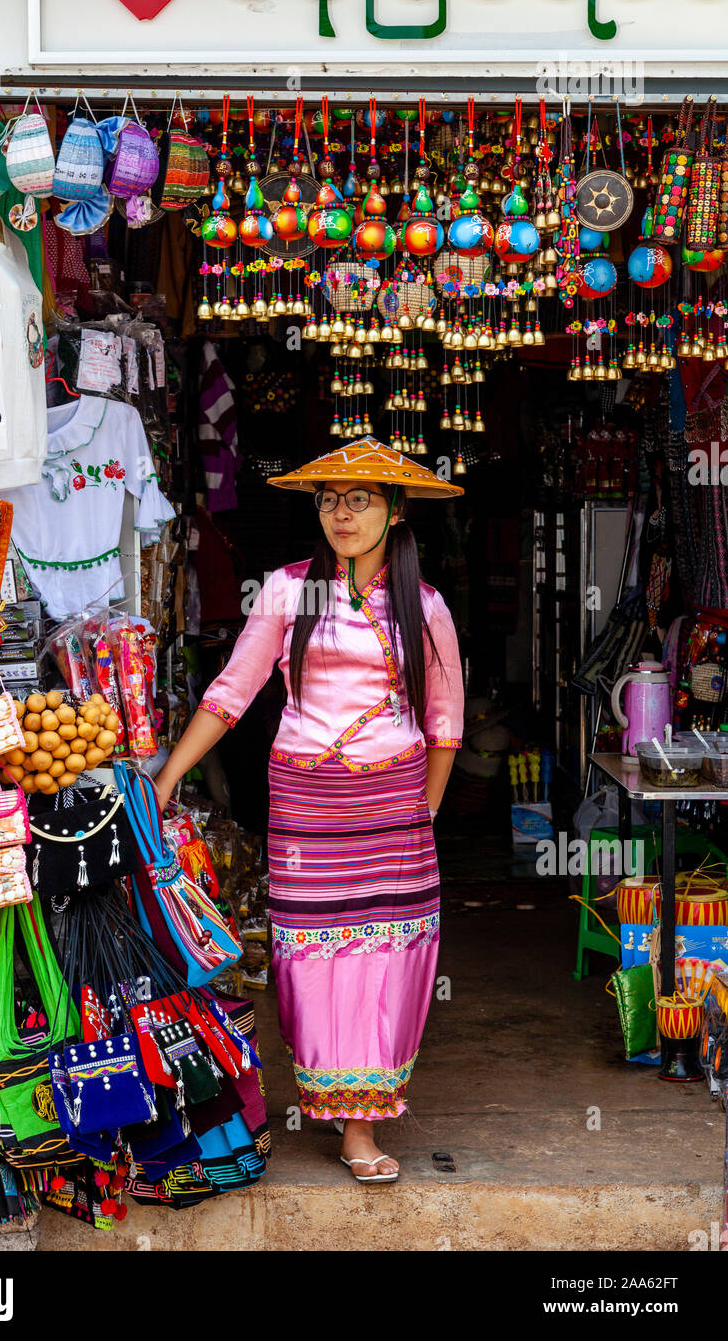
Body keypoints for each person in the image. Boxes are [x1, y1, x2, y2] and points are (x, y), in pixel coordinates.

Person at [153, 437, 464, 1182]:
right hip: (306, 809)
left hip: (393, 808)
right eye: (329, 499)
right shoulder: (290, 591)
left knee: (385, 957)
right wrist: (167, 779)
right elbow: (231, 694)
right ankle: (328, 1093)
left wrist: (422, 813)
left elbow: (446, 722)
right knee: (311, 962)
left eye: (360, 499)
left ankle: (362, 1127)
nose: (342, 513)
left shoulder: (424, 604)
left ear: (395, 511)